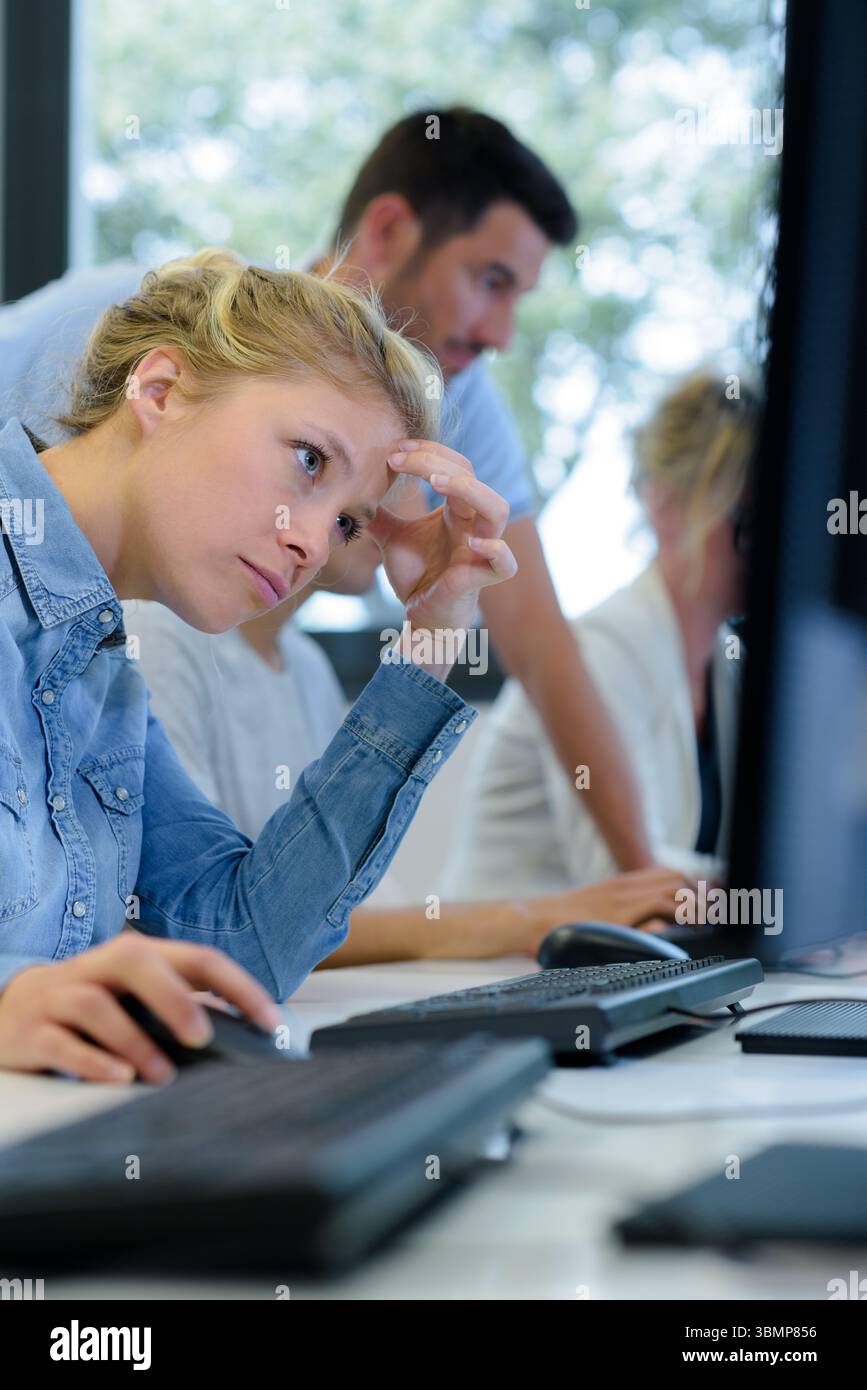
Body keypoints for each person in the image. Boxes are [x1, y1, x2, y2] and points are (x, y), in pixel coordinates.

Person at [0, 107, 656, 874]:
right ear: (386, 232)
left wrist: (644, 877)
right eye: (491, 281)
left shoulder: (461, 405)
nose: (502, 333)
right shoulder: (128, 317)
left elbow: (542, 647)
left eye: (353, 518)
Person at [0, 248, 517, 1083]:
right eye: (309, 459)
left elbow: (239, 942)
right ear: (160, 389)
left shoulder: (97, 664)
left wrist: (433, 631)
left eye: (349, 522)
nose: (313, 542)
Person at [123, 590, 693, 964]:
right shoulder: (161, 634)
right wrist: (532, 917)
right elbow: (224, 929)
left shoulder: (306, 666)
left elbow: (352, 906)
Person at [442, 374, 759, 902]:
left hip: (610, 968)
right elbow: (620, 879)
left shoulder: (727, 669)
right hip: (496, 966)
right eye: (747, 523)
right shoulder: (605, 648)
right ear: (666, 505)